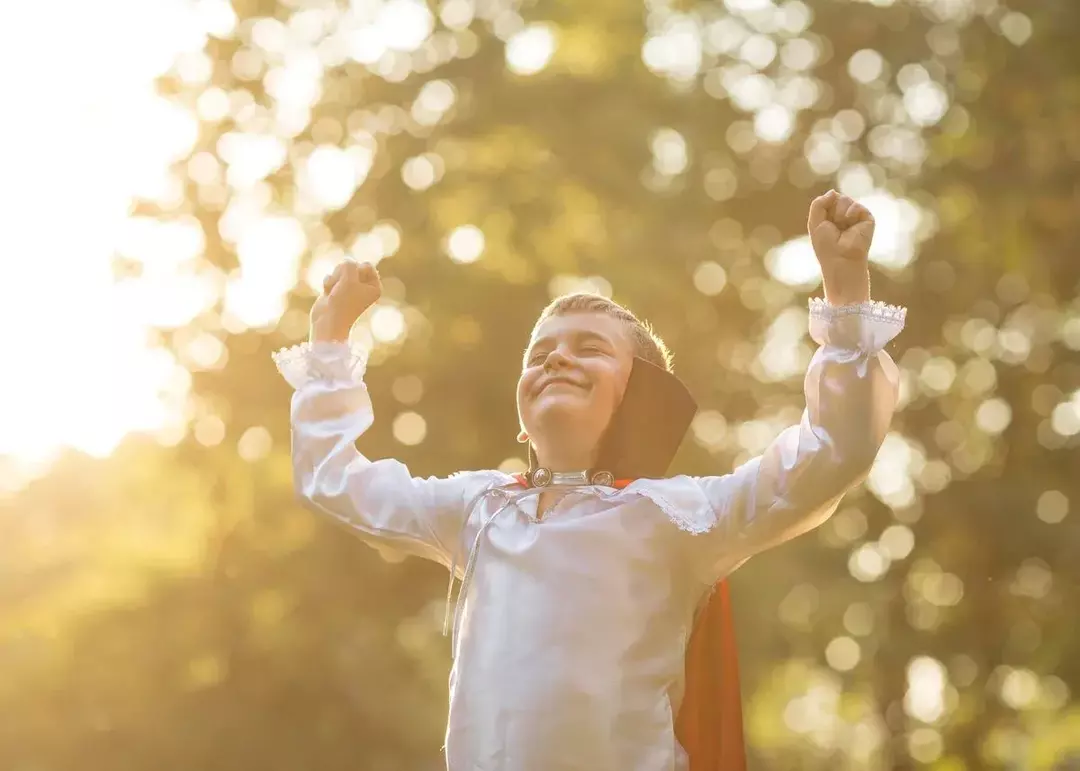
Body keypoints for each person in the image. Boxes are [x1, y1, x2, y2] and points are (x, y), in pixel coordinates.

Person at [272, 191, 907, 770]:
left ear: (640, 403)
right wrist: (328, 341)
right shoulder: (477, 512)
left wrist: (845, 289)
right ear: (522, 423)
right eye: (541, 353)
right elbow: (335, 483)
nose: (557, 357)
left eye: (591, 349)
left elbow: (832, 451)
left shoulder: (676, 515)